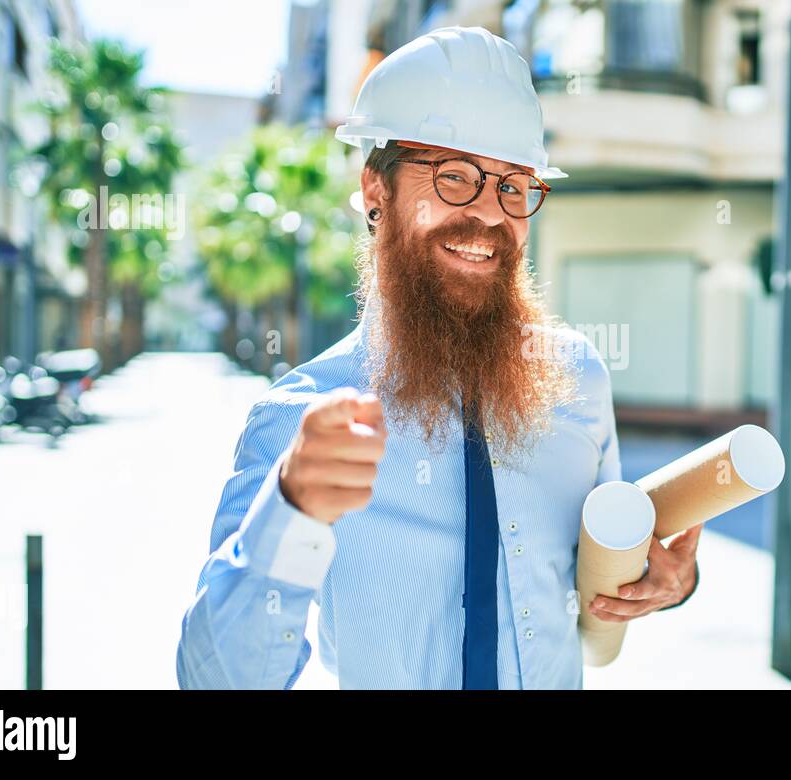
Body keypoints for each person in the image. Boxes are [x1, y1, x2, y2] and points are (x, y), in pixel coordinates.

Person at [176, 27, 700, 690]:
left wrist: (669, 582)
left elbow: (595, 597)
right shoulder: (297, 423)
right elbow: (215, 680)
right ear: (376, 192)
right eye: (455, 177)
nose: (488, 214)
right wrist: (290, 507)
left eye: (515, 187)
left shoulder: (579, 380)